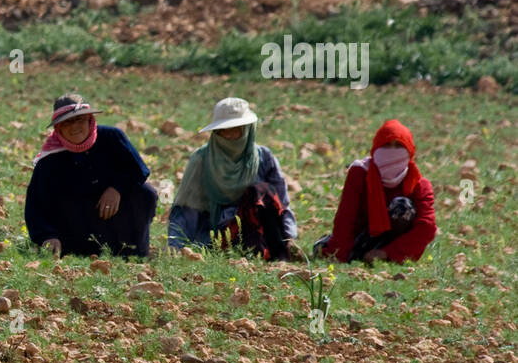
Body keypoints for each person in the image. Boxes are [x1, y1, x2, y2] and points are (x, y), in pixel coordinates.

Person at [23, 94, 157, 257]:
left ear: (90, 120)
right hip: (75, 229)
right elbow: (35, 204)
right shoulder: (50, 158)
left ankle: (135, 253)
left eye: (79, 120)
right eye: (67, 123)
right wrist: (47, 236)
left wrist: (116, 189)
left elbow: (138, 170)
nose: (74, 127)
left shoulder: (112, 138)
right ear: (58, 129)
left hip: (114, 220)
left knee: (145, 193)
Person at [168, 97, 298, 260]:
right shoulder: (201, 160)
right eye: (223, 130)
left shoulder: (263, 158)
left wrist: (289, 238)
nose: (229, 136)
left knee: (261, 191)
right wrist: (176, 246)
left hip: (259, 234)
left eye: (235, 129)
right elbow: (186, 209)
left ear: (247, 130)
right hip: (215, 236)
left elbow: (281, 204)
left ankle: (278, 253)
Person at [315, 119, 436, 263]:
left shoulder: (418, 184)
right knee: (322, 248)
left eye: (398, 145)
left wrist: (387, 253)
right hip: (363, 239)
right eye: (386, 145)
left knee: (402, 206)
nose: (392, 151)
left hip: (394, 247)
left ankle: (388, 259)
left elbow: (427, 227)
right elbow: (346, 217)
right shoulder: (360, 173)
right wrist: (338, 256)